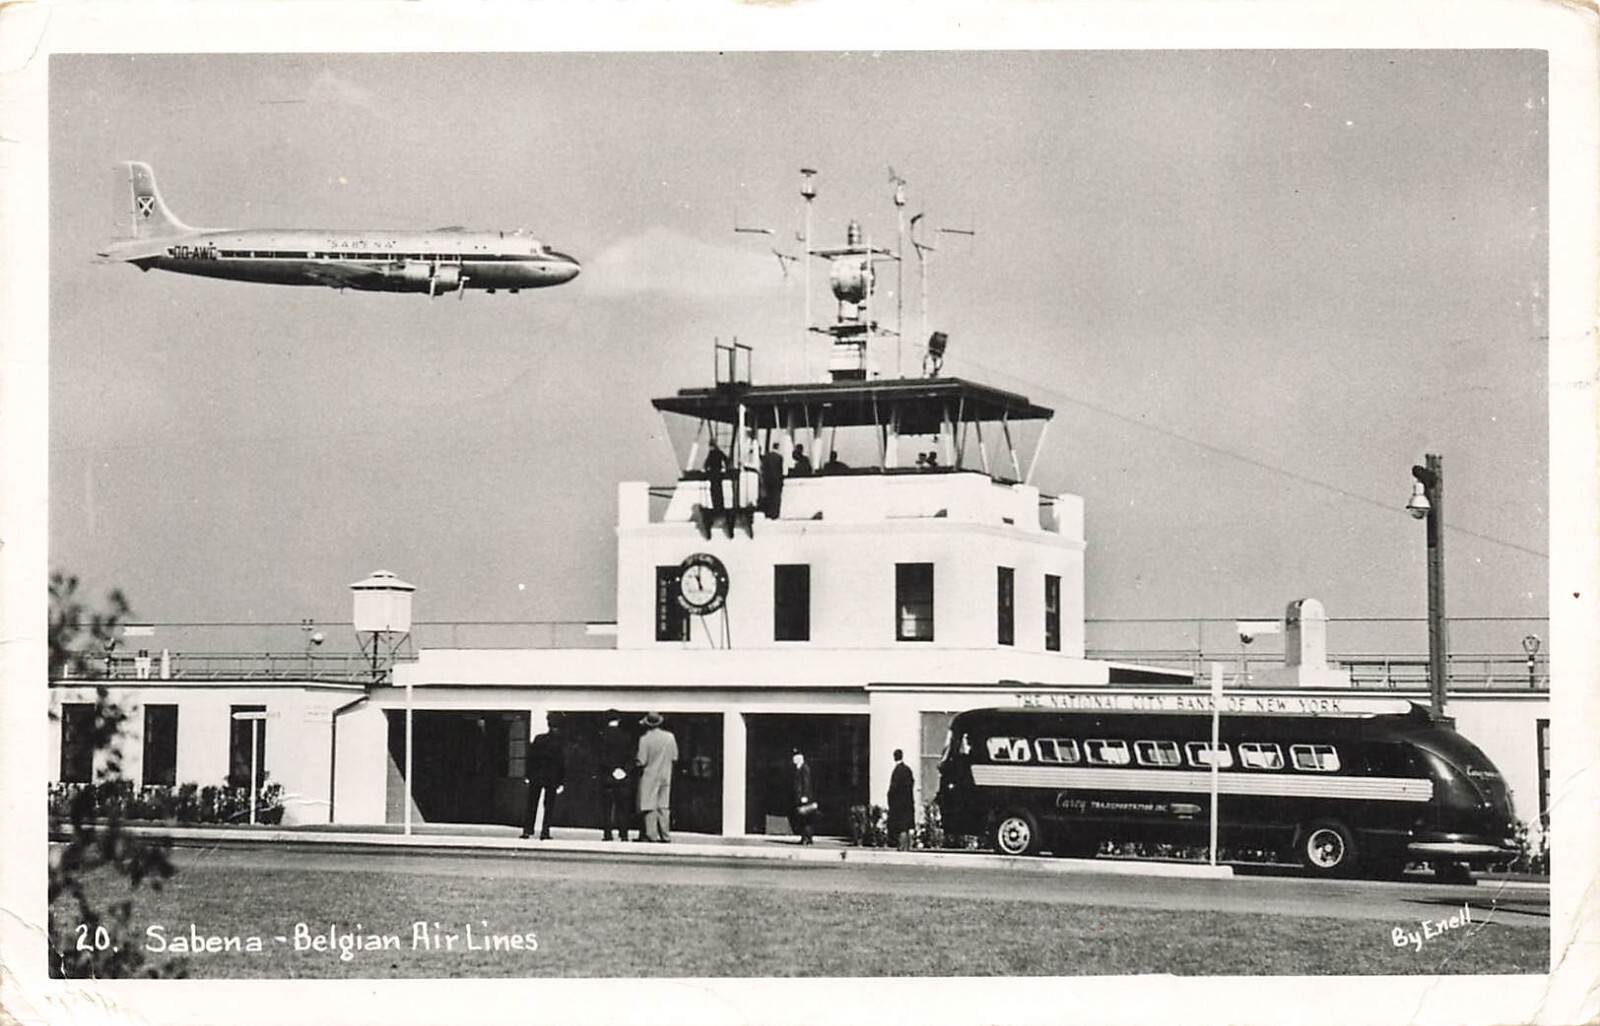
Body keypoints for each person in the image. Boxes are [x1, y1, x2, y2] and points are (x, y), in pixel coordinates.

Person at [635, 711, 679, 842]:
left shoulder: (644, 739)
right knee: (663, 805)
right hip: (665, 774)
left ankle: (652, 835)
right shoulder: (670, 737)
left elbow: (641, 760)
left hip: (650, 775)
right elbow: (675, 756)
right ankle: (665, 835)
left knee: (649, 805)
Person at [523, 718, 566, 840]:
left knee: (532, 803)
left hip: (537, 776)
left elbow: (530, 758)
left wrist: (528, 775)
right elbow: (561, 763)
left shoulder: (539, 739)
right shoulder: (559, 742)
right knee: (549, 805)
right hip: (552, 778)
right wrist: (561, 781)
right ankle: (545, 831)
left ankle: (527, 830)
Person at [598, 710, 634, 841]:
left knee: (607, 807)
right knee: (623, 807)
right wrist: (624, 771)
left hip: (607, 776)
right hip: (623, 777)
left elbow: (601, 757)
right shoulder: (627, 736)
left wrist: (612, 769)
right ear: (618, 721)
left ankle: (607, 834)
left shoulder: (602, 736)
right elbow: (632, 757)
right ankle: (623, 834)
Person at [887, 748, 915, 851]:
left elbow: (893, 788)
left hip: (899, 803)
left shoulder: (897, 771)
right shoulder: (908, 770)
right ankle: (908, 846)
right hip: (908, 802)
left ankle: (902, 846)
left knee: (901, 826)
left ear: (894, 757)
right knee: (907, 825)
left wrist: (890, 799)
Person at [788, 749, 815, 845]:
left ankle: (806, 838)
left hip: (804, 798)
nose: (793, 759)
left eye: (795, 757)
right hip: (799, 797)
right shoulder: (798, 768)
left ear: (800, 758)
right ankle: (807, 837)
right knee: (803, 818)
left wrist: (805, 796)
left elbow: (806, 783)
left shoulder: (804, 768)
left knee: (805, 818)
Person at [760, 442, 785, 518]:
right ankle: (775, 513)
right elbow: (781, 470)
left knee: (769, 496)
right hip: (777, 480)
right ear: (778, 447)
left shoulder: (767, 456)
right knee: (776, 497)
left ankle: (768, 512)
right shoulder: (780, 457)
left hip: (768, 480)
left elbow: (763, 468)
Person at [703, 439, 728, 513]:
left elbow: (706, 464)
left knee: (713, 491)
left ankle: (716, 506)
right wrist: (725, 468)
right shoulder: (719, 452)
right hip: (719, 474)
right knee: (719, 490)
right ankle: (721, 506)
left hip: (713, 474)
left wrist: (706, 470)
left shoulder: (711, 453)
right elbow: (726, 459)